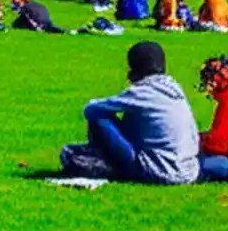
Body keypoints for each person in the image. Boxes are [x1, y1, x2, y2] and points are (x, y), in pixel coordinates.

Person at [59, 41, 199, 184]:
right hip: (188, 170)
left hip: (154, 170)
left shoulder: (143, 91)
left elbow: (91, 108)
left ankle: (103, 160)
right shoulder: (175, 89)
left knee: (98, 115)